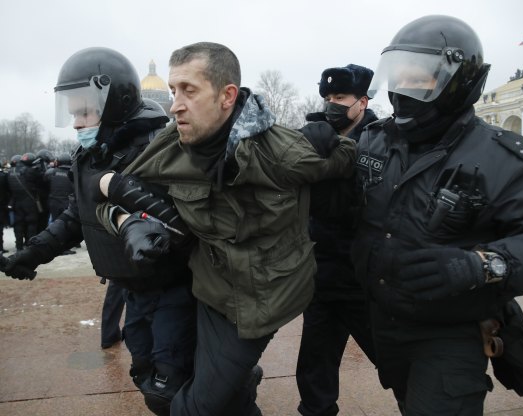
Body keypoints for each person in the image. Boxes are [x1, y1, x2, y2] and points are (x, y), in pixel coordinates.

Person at [94, 41, 356, 416]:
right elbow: (110, 197)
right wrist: (127, 221)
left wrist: (332, 139)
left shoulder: (282, 152)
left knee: (195, 407)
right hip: (209, 289)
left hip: (261, 301)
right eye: (172, 91)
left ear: (227, 96)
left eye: (189, 90)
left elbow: (347, 160)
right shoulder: (171, 146)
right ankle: (241, 386)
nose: (175, 105)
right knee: (196, 393)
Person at [348, 15, 523, 414]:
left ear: (460, 81)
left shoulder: (501, 157)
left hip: (449, 332)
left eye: (420, 78)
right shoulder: (376, 140)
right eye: (399, 76)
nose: (404, 89)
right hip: (382, 321)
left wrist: (480, 265)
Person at [0, 47, 196, 416]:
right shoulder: (90, 156)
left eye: (84, 111)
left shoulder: (157, 147)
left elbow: (183, 219)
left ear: (115, 103)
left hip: (174, 288)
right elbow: (77, 218)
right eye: (73, 112)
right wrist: (32, 253)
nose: (76, 122)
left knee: (169, 385)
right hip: (134, 290)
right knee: (143, 373)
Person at [296, 64, 378, 416]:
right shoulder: (314, 136)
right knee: (314, 368)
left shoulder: (382, 139)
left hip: (367, 279)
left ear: (362, 101)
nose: (331, 104)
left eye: (340, 97)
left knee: (398, 362)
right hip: (322, 274)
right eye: (327, 97)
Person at [6, 152, 43, 251]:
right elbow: (41, 180)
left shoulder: (10, 172)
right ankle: (31, 246)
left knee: (18, 225)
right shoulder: (31, 171)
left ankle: (19, 247)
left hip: (17, 202)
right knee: (32, 223)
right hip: (29, 202)